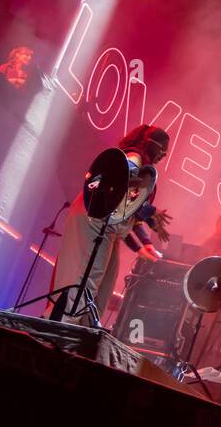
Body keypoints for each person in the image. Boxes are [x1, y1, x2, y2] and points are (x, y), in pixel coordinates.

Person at [50, 125, 174, 326]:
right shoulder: (134, 157)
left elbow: (128, 209)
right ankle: (63, 328)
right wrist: (150, 213)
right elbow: (118, 187)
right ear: (152, 144)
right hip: (94, 220)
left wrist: (144, 243)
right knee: (86, 278)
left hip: (105, 225)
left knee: (104, 284)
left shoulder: (142, 163)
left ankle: (82, 331)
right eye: (163, 150)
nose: (164, 155)